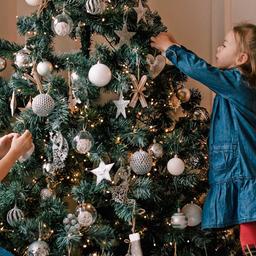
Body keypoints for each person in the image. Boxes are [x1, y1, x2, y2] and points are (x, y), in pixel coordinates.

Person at [151, 23, 256, 255]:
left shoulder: (238, 83)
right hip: (241, 170)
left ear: (241, 58)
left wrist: (171, 48)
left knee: (250, 228)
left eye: (225, 44)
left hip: (245, 170)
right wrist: (174, 46)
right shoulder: (237, 84)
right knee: (248, 229)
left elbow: (204, 71)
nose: (219, 47)